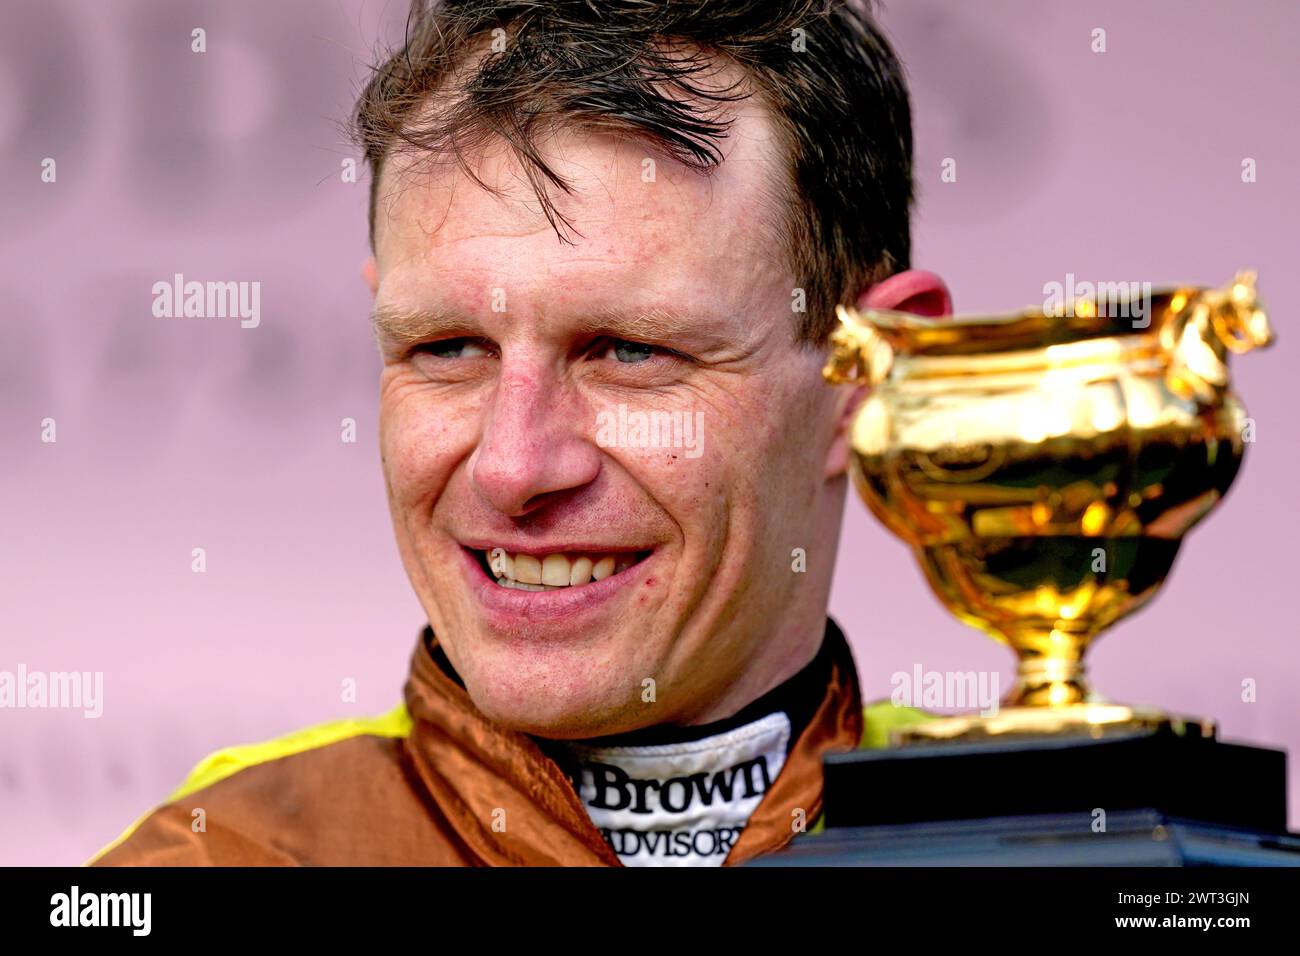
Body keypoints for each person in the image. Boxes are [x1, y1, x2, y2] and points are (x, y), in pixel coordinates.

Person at [90, 0, 950, 867]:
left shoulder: (1029, 828)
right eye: (448, 347)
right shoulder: (223, 856)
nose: (512, 466)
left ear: (868, 375)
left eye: (629, 350)